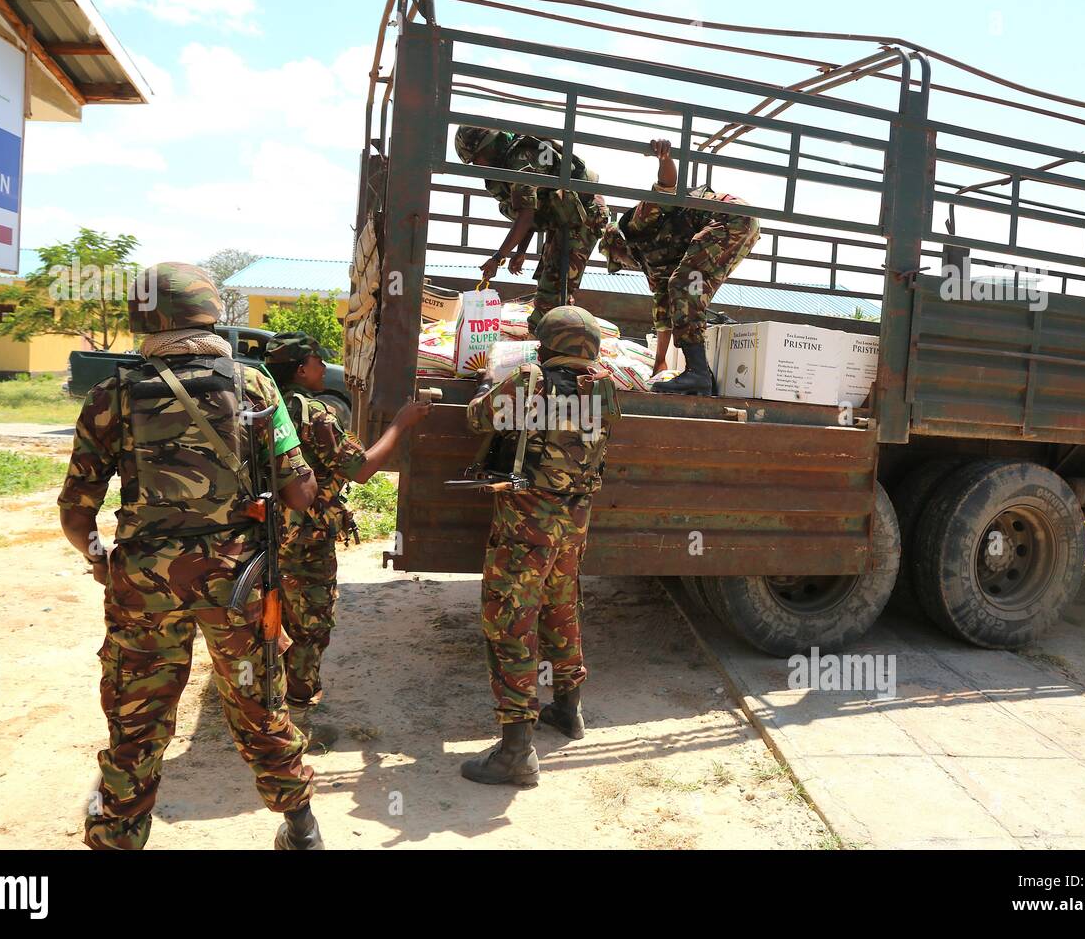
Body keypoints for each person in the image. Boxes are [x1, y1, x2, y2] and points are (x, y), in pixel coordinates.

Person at [57, 262, 324, 850]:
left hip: (141, 588)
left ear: (142, 317)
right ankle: (302, 830)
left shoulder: (111, 394)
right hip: (237, 583)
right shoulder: (255, 387)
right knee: (258, 704)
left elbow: (77, 513)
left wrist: (102, 561)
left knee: (137, 721)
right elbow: (300, 492)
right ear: (211, 312)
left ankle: (118, 838)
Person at [460, 305, 621, 786]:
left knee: (511, 621)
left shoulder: (529, 381)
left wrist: (489, 391)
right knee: (561, 608)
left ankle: (515, 750)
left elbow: (476, 419)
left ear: (546, 343)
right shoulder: (605, 384)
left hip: (527, 521)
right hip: (575, 519)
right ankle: (568, 709)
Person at [262, 332, 431, 736]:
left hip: (264, 531)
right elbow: (362, 467)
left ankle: (269, 693)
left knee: (272, 613)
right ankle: (297, 704)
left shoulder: (262, 405)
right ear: (301, 369)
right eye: (318, 361)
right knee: (312, 621)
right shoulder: (316, 415)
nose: (323, 368)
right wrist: (399, 423)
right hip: (306, 537)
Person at [598, 138, 761, 395]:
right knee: (687, 288)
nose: (624, 265)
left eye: (618, 259)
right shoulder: (653, 264)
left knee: (684, 285)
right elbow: (663, 311)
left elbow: (665, 186)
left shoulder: (636, 225)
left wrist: (664, 159)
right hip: (738, 226)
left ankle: (697, 373)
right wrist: (659, 361)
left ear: (618, 243)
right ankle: (700, 373)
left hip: (730, 216)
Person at [454, 125, 609, 334]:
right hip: (564, 216)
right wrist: (520, 251)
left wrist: (498, 257)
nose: (478, 165)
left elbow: (526, 217)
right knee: (550, 284)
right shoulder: (511, 159)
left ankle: (552, 344)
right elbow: (531, 211)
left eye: (476, 158)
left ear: (487, 146)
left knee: (551, 292)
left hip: (583, 217)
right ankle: (561, 338)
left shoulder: (519, 161)